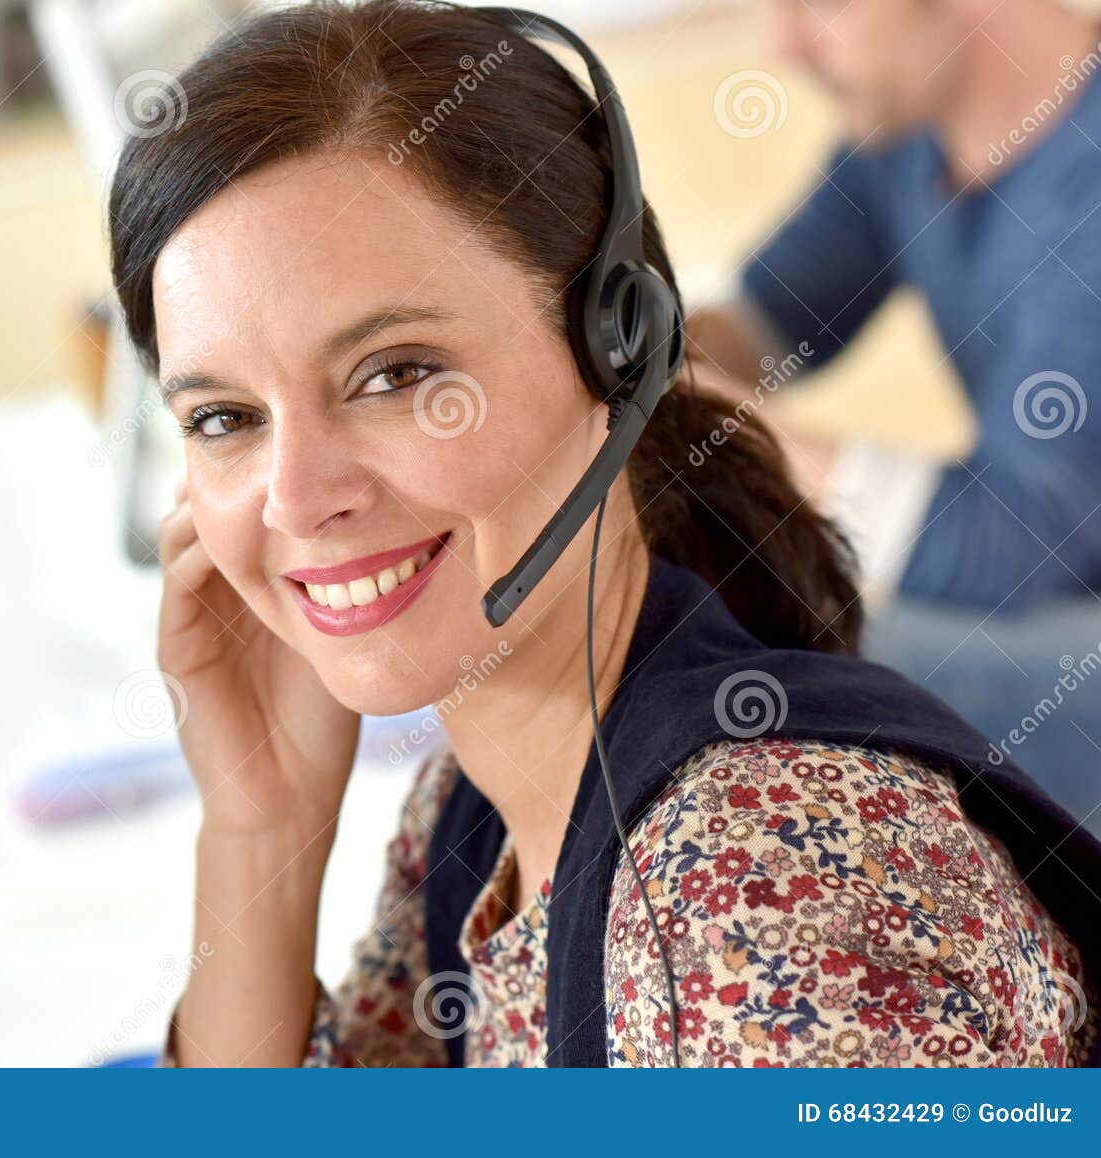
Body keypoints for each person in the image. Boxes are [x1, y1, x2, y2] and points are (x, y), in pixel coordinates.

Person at [108, 0, 1101, 1067]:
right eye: (224, 418)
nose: (295, 501)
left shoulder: (747, 904)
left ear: (611, 351)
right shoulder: (469, 815)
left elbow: (1021, 540)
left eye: (397, 374)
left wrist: (657, 381)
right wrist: (260, 827)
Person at [687, 0, 1101, 835]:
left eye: (817, 5)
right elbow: (769, 321)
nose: (782, 47)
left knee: (799, 670)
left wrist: (700, 410)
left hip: (1059, 600)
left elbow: (1010, 554)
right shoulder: (906, 138)